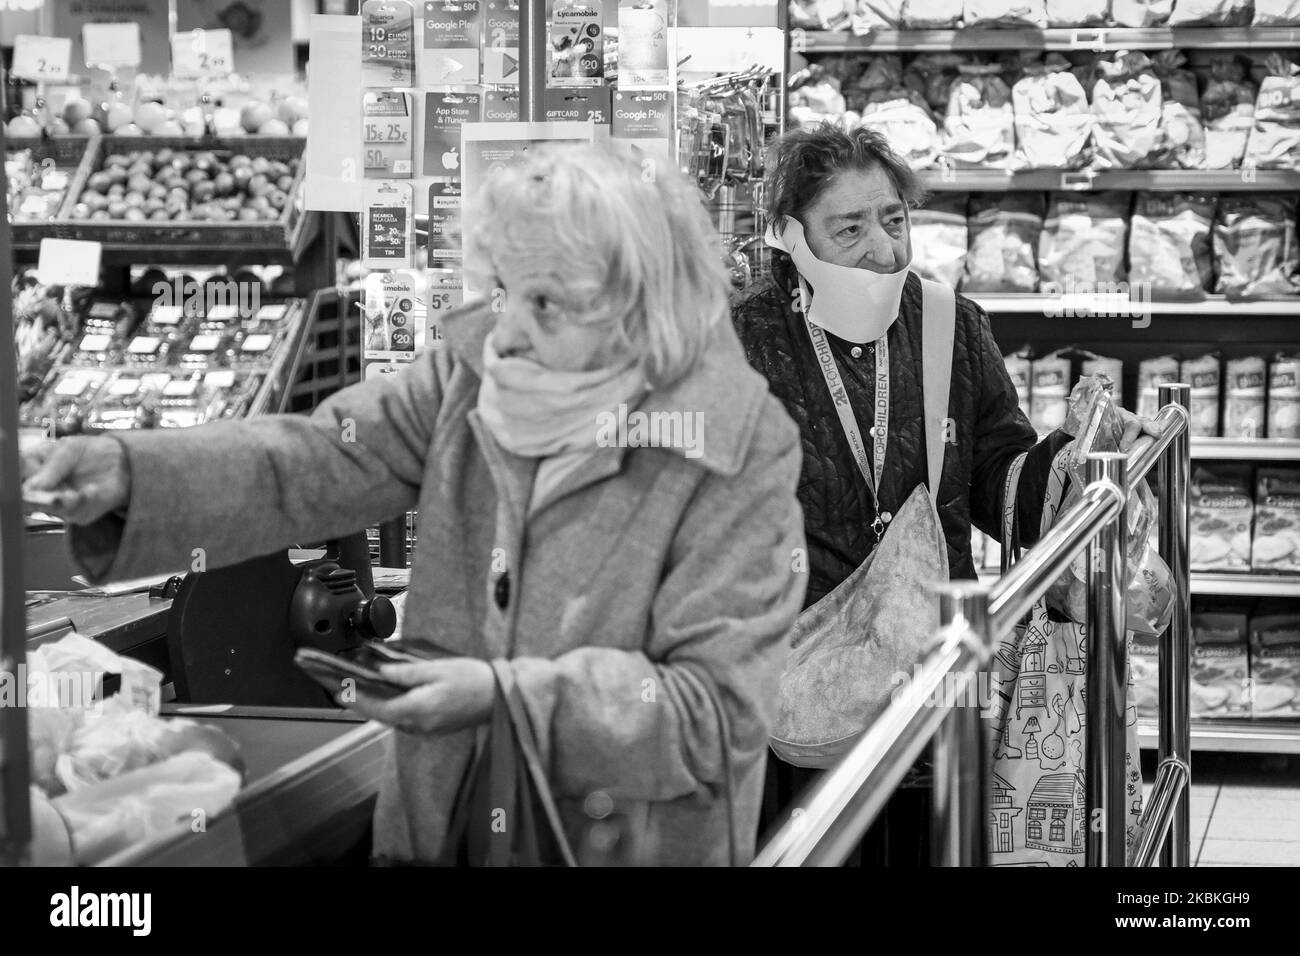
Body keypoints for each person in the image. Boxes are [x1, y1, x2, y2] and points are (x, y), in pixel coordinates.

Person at [21, 145, 808, 866]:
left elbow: (712, 712)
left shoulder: (734, 445)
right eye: (505, 290)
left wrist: (508, 698)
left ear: (643, 300)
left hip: (620, 840)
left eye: (549, 302)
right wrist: (130, 477)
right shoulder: (471, 377)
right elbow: (319, 460)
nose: (511, 333)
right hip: (442, 822)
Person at [731, 123, 1163, 864]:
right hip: (797, 678)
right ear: (790, 238)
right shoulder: (745, 338)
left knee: (935, 846)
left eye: (894, 219)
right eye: (850, 227)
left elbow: (1000, 470)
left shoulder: (947, 320)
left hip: (941, 661)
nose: (884, 248)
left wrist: (1075, 464)